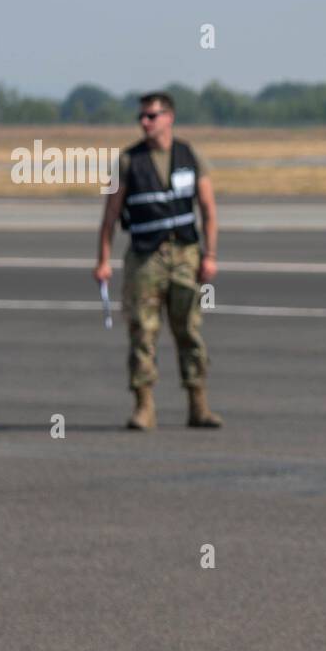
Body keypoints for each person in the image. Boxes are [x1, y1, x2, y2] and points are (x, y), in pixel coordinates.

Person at [92, 92, 223, 430]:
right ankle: (144, 406)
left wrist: (209, 256)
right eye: (142, 117)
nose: (145, 123)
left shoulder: (189, 155)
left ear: (169, 117)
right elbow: (109, 216)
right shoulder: (127, 161)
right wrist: (103, 260)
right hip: (145, 258)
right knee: (143, 332)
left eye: (152, 116)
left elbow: (208, 210)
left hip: (185, 256)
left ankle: (199, 405)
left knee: (189, 330)